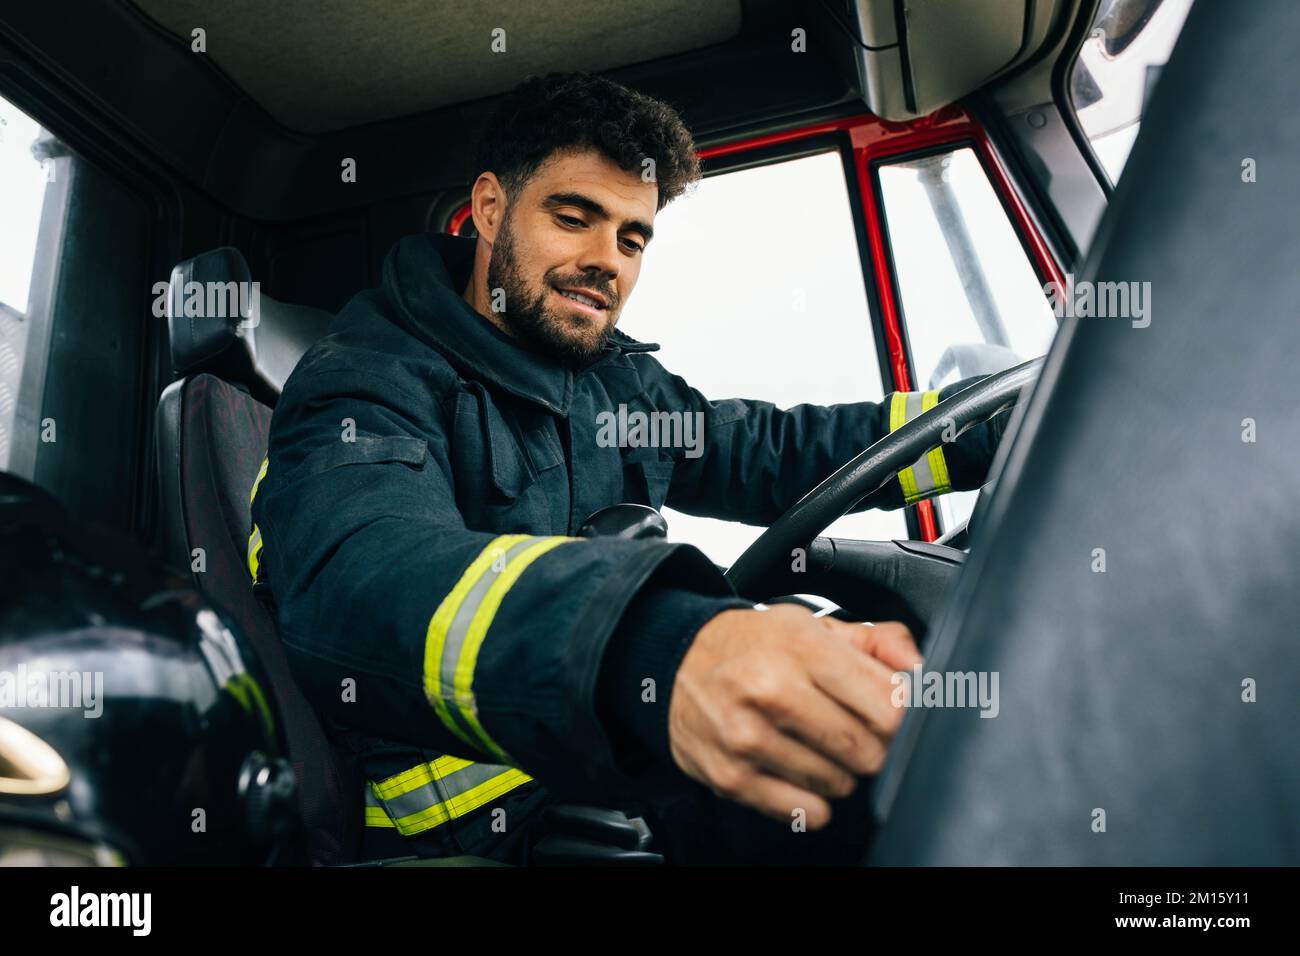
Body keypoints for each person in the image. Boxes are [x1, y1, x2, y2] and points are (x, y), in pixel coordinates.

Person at [249, 71, 1007, 864]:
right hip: (479, 826)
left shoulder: (610, 381)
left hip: (610, 767)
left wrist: (980, 432)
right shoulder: (364, 377)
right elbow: (363, 573)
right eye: (574, 218)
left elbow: (771, 453)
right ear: (490, 209)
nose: (605, 260)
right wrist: (662, 651)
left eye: (631, 237)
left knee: (913, 772)